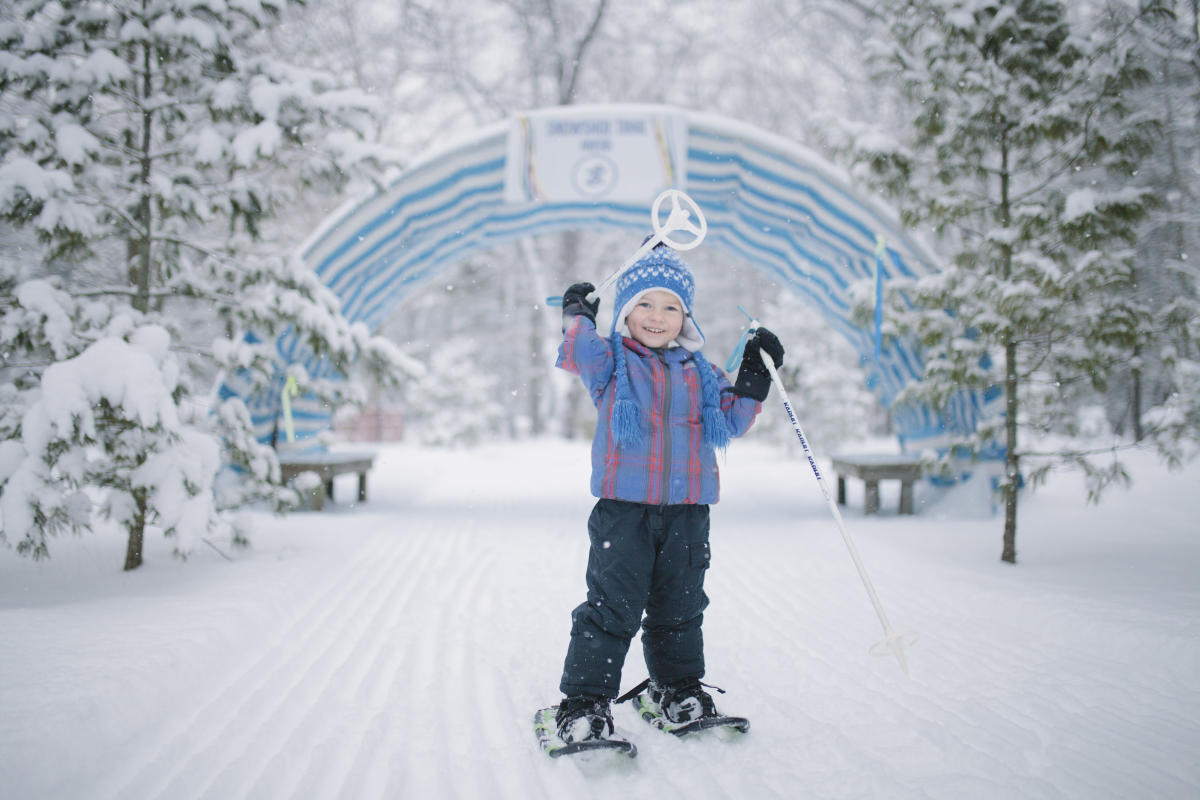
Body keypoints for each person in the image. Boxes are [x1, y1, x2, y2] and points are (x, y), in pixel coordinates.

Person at [552, 240, 785, 744]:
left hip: (686, 513)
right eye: (644, 304)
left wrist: (753, 378)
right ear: (627, 310)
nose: (657, 317)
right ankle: (585, 702)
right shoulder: (611, 361)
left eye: (671, 307)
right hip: (624, 512)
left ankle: (676, 688)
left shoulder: (701, 373)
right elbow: (576, 351)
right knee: (614, 605)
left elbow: (730, 421)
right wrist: (578, 317)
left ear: (686, 315)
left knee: (680, 607)